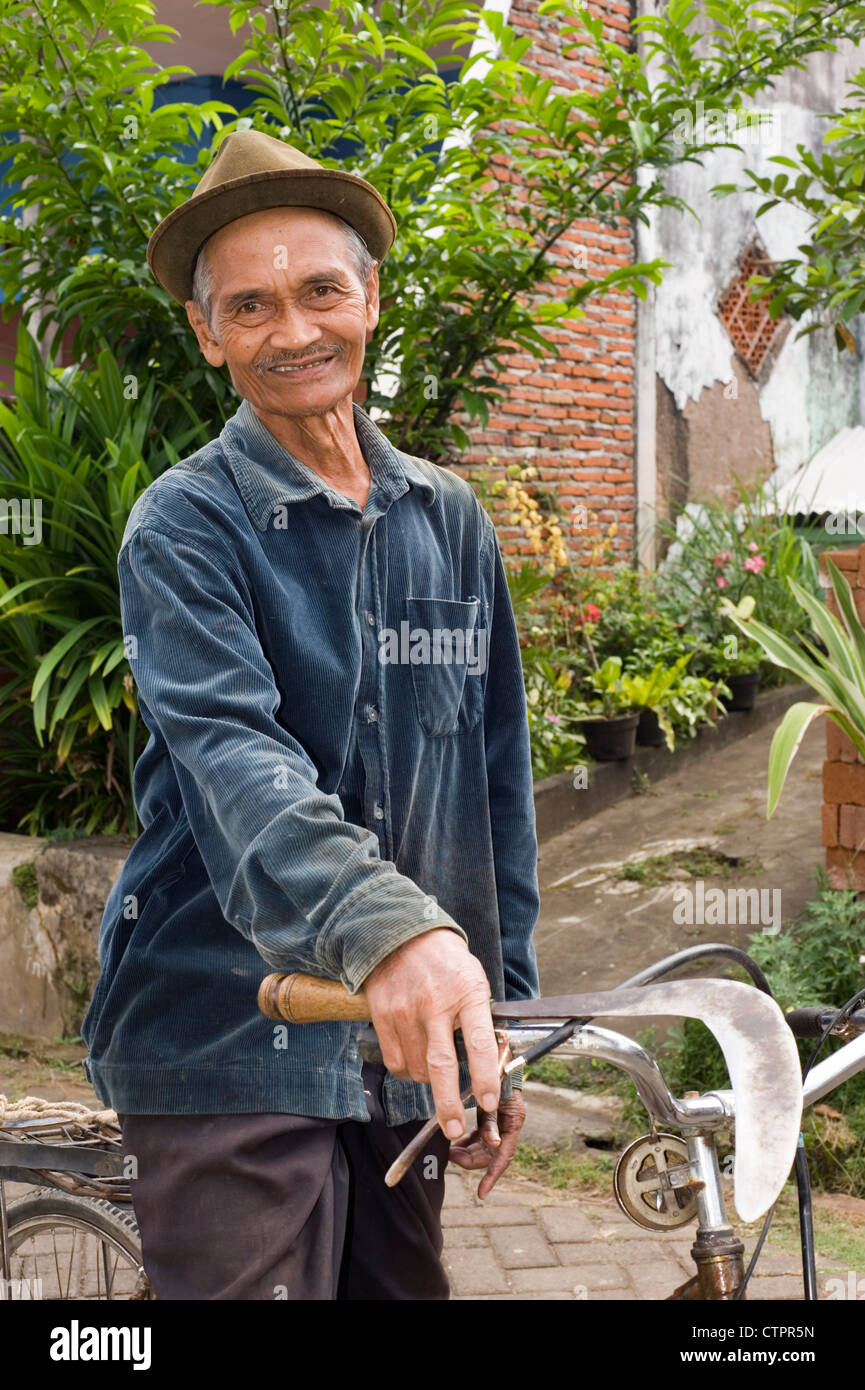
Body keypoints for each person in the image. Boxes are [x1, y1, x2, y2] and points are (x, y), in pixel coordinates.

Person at [81, 129, 540, 1300]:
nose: (293, 332)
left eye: (320, 290)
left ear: (370, 298)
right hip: (224, 1027)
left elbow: (494, 784)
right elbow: (238, 762)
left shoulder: (449, 516)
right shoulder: (185, 528)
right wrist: (397, 933)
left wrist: (495, 1014)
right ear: (207, 331)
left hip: (399, 1048)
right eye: (251, 306)